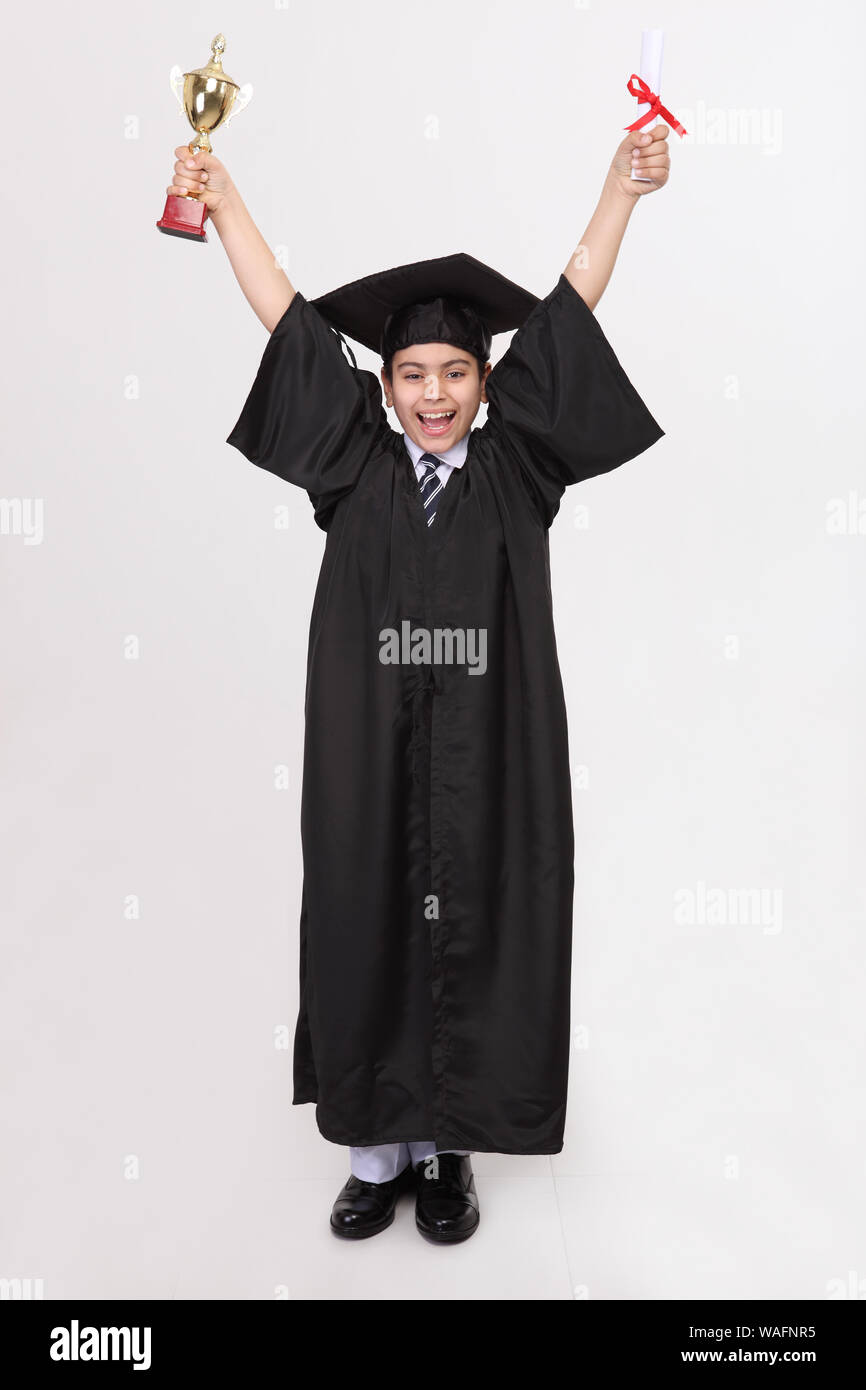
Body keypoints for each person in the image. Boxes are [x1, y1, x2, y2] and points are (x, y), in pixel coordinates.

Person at [165, 123, 672, 1245]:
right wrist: (226, 204)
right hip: (364, 737)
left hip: (490, 742)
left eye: (453, 373)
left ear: (485, 381)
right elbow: (284, 314)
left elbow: (571, 303)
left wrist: (616, 192)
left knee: (479, 914)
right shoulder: (348, 455)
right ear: (383, 384)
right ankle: (373, 1149)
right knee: (364, 909)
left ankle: (446, 1152)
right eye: (410, 375)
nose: (432, 393)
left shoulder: (515, 461)